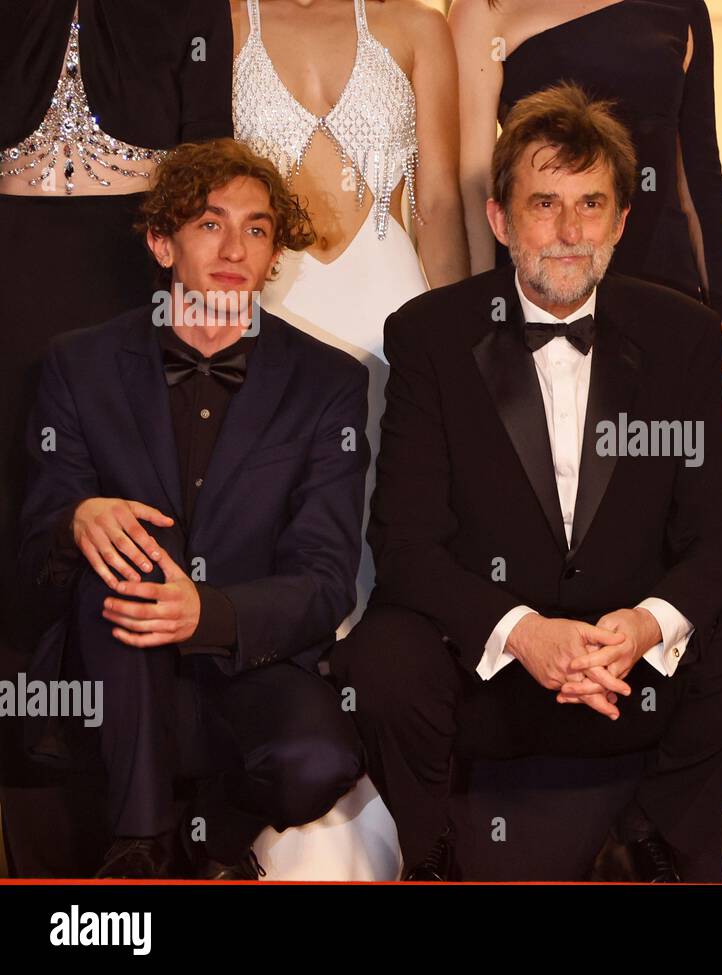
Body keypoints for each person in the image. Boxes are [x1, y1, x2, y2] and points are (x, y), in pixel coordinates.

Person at [330, 82, 722, 882]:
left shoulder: (682, 336)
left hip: (628, 668)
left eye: (590, 204)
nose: (567, 231)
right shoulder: (429, 335)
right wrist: (524, 631)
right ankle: (433, 860)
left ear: (622, 223)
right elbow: (406, 544)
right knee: (378, 663)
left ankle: (641, 840)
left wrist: (640, 628)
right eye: (543, 203)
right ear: (500, 219)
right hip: (490, 667)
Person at [17, 139, 369, 879]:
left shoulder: (329, 382)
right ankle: (139, 851)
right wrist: (75, 518)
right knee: (118, 555)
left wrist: (205, 613)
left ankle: (200, 843)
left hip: (249, 662)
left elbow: (326, 578)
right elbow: (33, 538)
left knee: (320, 759)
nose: (234, 247)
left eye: (258, 227)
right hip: (110, 666)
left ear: (276, 252)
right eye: (210, 224)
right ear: (161, 240)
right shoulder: (77, 364)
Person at [0, 0, 234, 878]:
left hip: (131, 267)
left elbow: (212, 156)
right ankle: (36, 774)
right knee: (24, 506)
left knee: (138, 507)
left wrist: (202, 309)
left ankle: (153, 819)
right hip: (12, 261)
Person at [232, 0, 468, 633]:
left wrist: (465, 348)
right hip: (273, 300)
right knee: (273, 505)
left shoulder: (418, 27)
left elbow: (441, 199)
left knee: (400, 502)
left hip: (393, 298)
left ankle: (382, 682)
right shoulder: (220, 24)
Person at [448, 0, 722, 417]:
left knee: (666, 466)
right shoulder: (484, 8)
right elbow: (475, 182)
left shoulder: (683, 7)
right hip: (541, 288)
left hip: (663, 284)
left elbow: (700, 176)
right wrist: (485, 311)